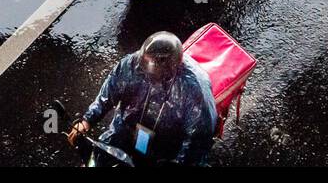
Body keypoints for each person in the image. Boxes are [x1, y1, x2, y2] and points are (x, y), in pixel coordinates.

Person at [67, 31, 218, 166]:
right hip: (126, 127)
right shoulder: (132, 63)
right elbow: (109, 91)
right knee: (99, 156)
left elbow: (197, 140)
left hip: (167, 145)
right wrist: (87, 120)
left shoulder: (195, 89)